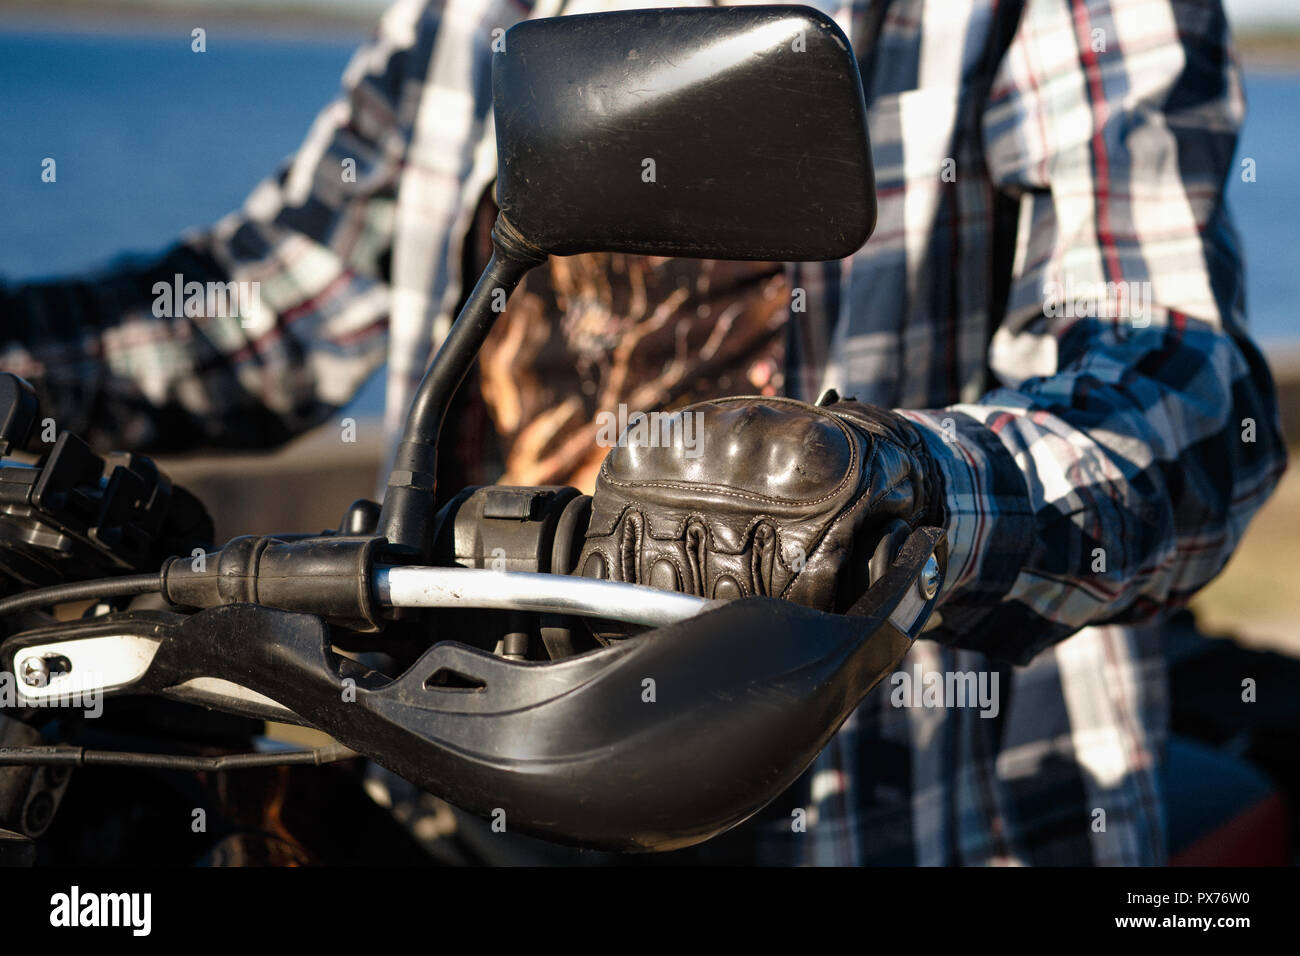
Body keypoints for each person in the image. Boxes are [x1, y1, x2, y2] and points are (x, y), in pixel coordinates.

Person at [0, 0, 1286, 865]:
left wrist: (897, 496)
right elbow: (289, 295)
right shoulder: (465, 18)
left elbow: (1178, 387)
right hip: (436, 786)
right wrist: (20, 359)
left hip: (897, 817)